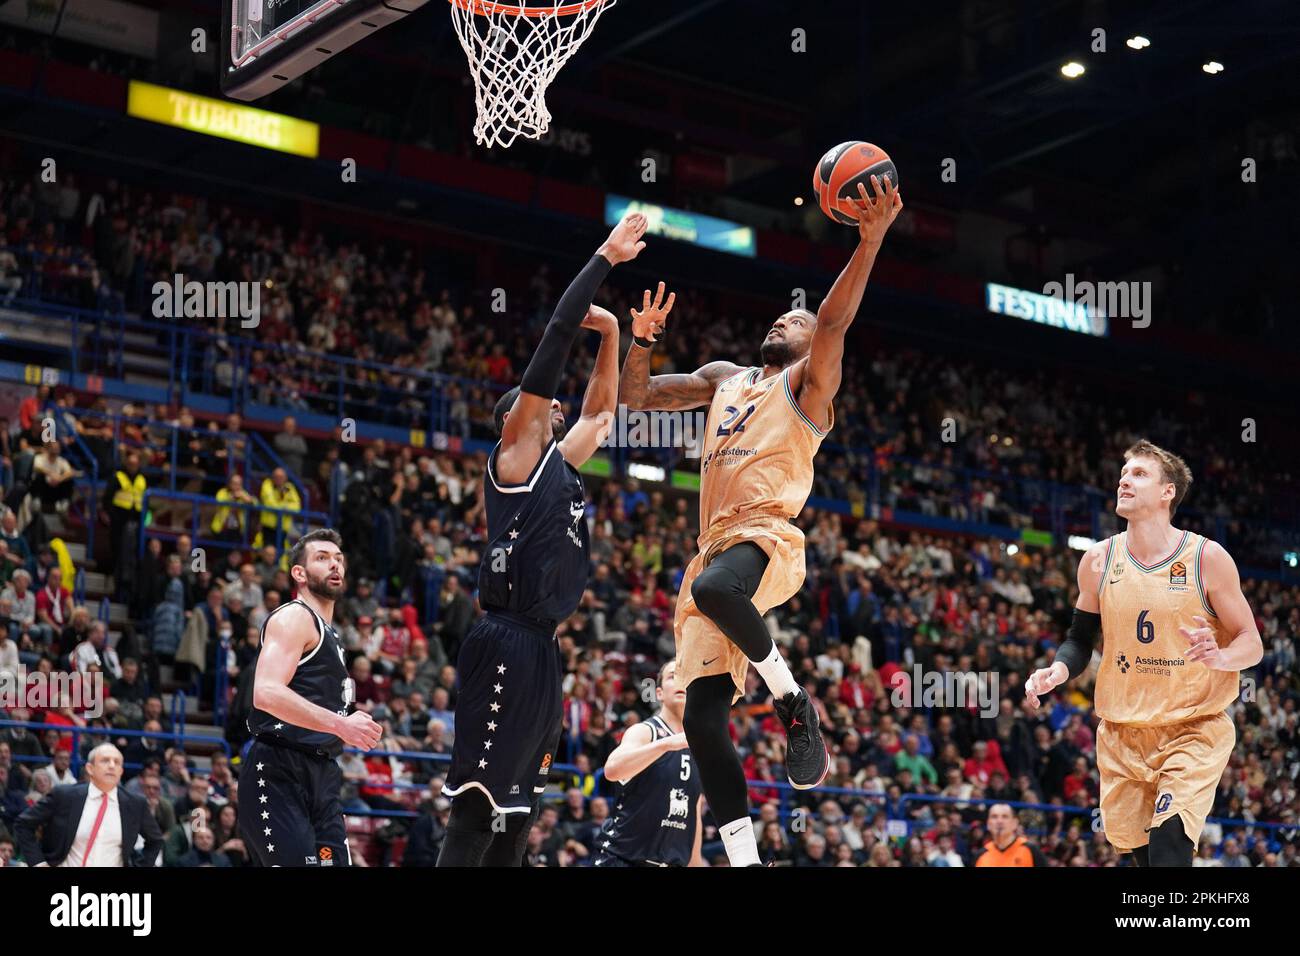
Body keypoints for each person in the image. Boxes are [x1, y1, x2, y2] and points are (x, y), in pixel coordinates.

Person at [618, 176, 902, 866]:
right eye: (782, 318)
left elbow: (833, 322)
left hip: (767, 537)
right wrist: (641, 340)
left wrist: (869, 242)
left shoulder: (809, 384)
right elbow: (636, 400)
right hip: (712, 545)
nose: (787, 321)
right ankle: (746, 861)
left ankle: (791, 697)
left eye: (797, 323)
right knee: (708, 719)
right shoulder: (725, 377)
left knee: (720, 590)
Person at [437, 214, 646, 867]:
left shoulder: (560, 460)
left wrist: (613, 332)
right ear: (515, 422)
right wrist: (604, 260)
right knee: (476, 809)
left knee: (517, 819)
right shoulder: (516, 455)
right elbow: (556, 340)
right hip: (503, 639)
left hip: (542, 651)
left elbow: (603, 412)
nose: (555, 410)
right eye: (542, 407)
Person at [1026, 441, 1263, 868]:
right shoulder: (1097, 560)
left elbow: (1251, 641)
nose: (1124, 480)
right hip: (1121, 732)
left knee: (1170, 844)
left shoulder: (1207, 558)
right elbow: (1080, 639)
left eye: (1138, 474)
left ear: (1167, 491)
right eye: (1123, 473)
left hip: (1193, 727)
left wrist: (1221, 658)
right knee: (1143, 858)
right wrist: (1058, 670)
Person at [237, 529, 382, 866]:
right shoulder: (294, 618)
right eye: (322, 558)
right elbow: (266, 693)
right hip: (279, 769)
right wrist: (341, 725)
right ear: (299, 574)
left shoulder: (332, 635)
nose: (335, 566)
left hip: (323, 775)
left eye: (339, 559)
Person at [594, 660, 704, 867]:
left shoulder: (699, 747)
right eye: (673, 676)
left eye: (685, 676)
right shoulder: (645, 731)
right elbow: (612, 769)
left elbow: (694, 809)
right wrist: (666, 744)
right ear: (660, 693)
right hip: (622, 859)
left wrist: (696, 862)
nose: (680, 680)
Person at [14, 743, 163, 866]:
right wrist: (39, 863)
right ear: (90, 768)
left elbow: (155, 840)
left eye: (116, 762)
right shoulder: (64, 796)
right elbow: (23, 824)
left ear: (121, 771)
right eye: (105, 760)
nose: (111, 765)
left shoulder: (135, 803)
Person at [972, 803, 1048, 867]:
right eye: (994, 817)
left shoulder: (1031, 851)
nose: (999, 821)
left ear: (1015, 823)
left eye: (1005, 816)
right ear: (988, 824)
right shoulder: (980, 855)